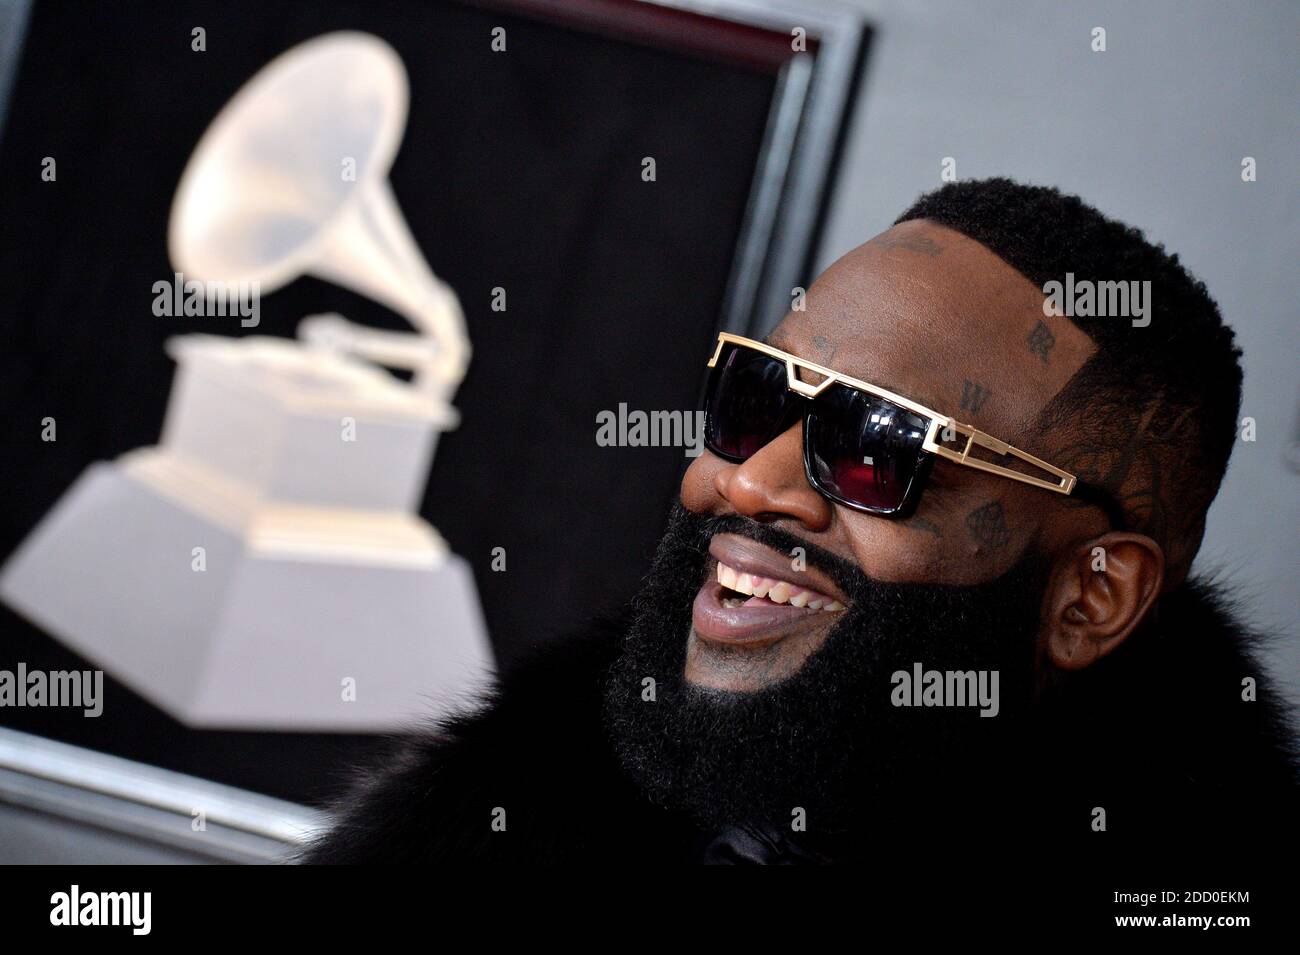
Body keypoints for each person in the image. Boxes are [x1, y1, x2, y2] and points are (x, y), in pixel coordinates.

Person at [305, 178, 1296, 865]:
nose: (743, 485)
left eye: (879, 444)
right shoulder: (508, 806)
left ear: (1091, 594)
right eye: (754, 397)